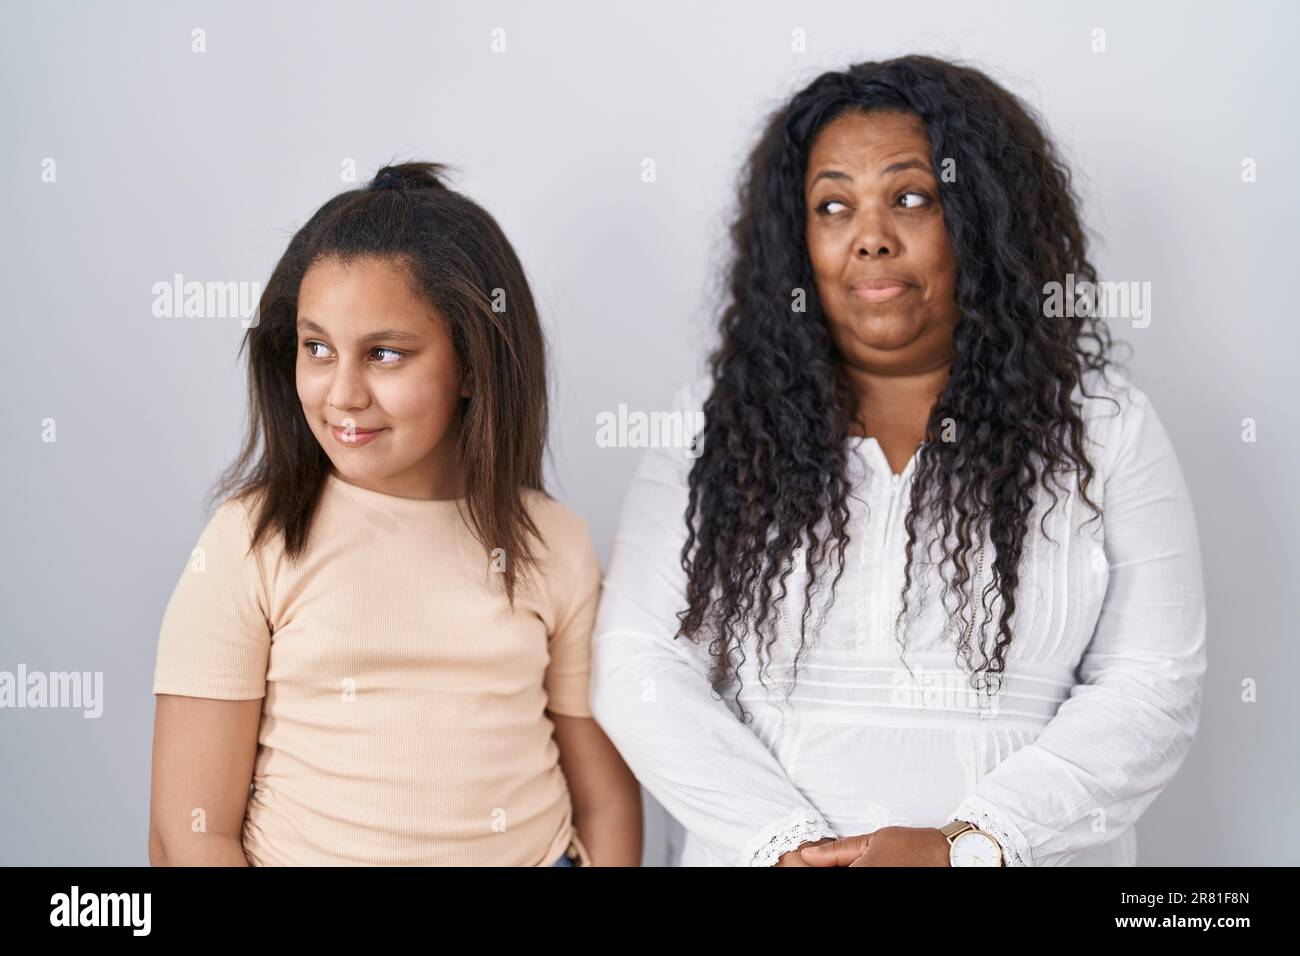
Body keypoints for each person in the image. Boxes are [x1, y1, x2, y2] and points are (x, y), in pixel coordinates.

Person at [590, 56, 1206, 867]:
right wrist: (786, 845)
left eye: (911, 198)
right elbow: (640, 665)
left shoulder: (1101, 426)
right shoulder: (713, 423)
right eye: (833, 205)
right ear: (798, 241)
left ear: (983, 219)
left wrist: (974, 845)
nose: (871, 237)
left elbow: (1153, 682)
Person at [149, 162, 641, 866]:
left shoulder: (553, 544)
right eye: (317, 348)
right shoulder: (248, 542)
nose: (342, 393)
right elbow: (189, 833)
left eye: (384, 354)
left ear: (471, 366)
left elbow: (606, 801)